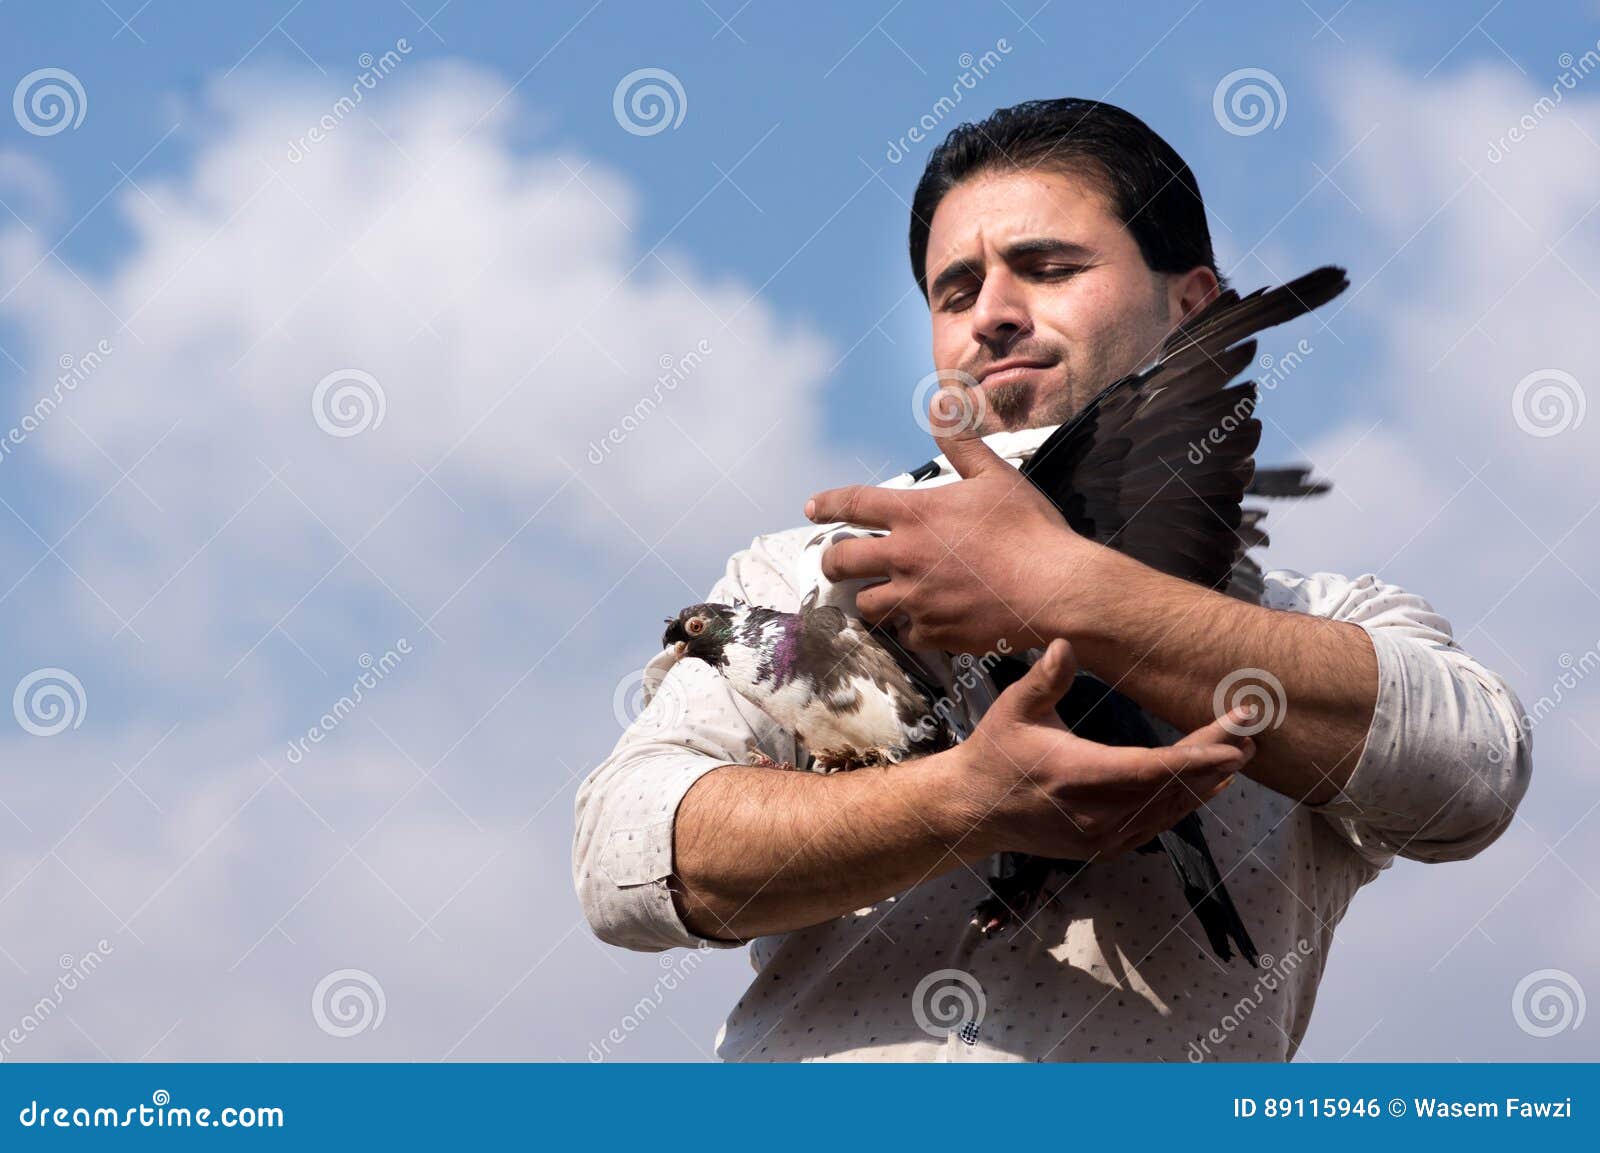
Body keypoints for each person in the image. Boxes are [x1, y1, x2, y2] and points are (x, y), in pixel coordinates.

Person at [572, 98, 1532, 1061]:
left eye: (1048, 267)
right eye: (955, 292)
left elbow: (1473, 772)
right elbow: (622, 858)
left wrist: (1070, 591)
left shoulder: (1326, 620)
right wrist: (958, 802)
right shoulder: (813, 570)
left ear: (1191, 307)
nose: (991, 314)